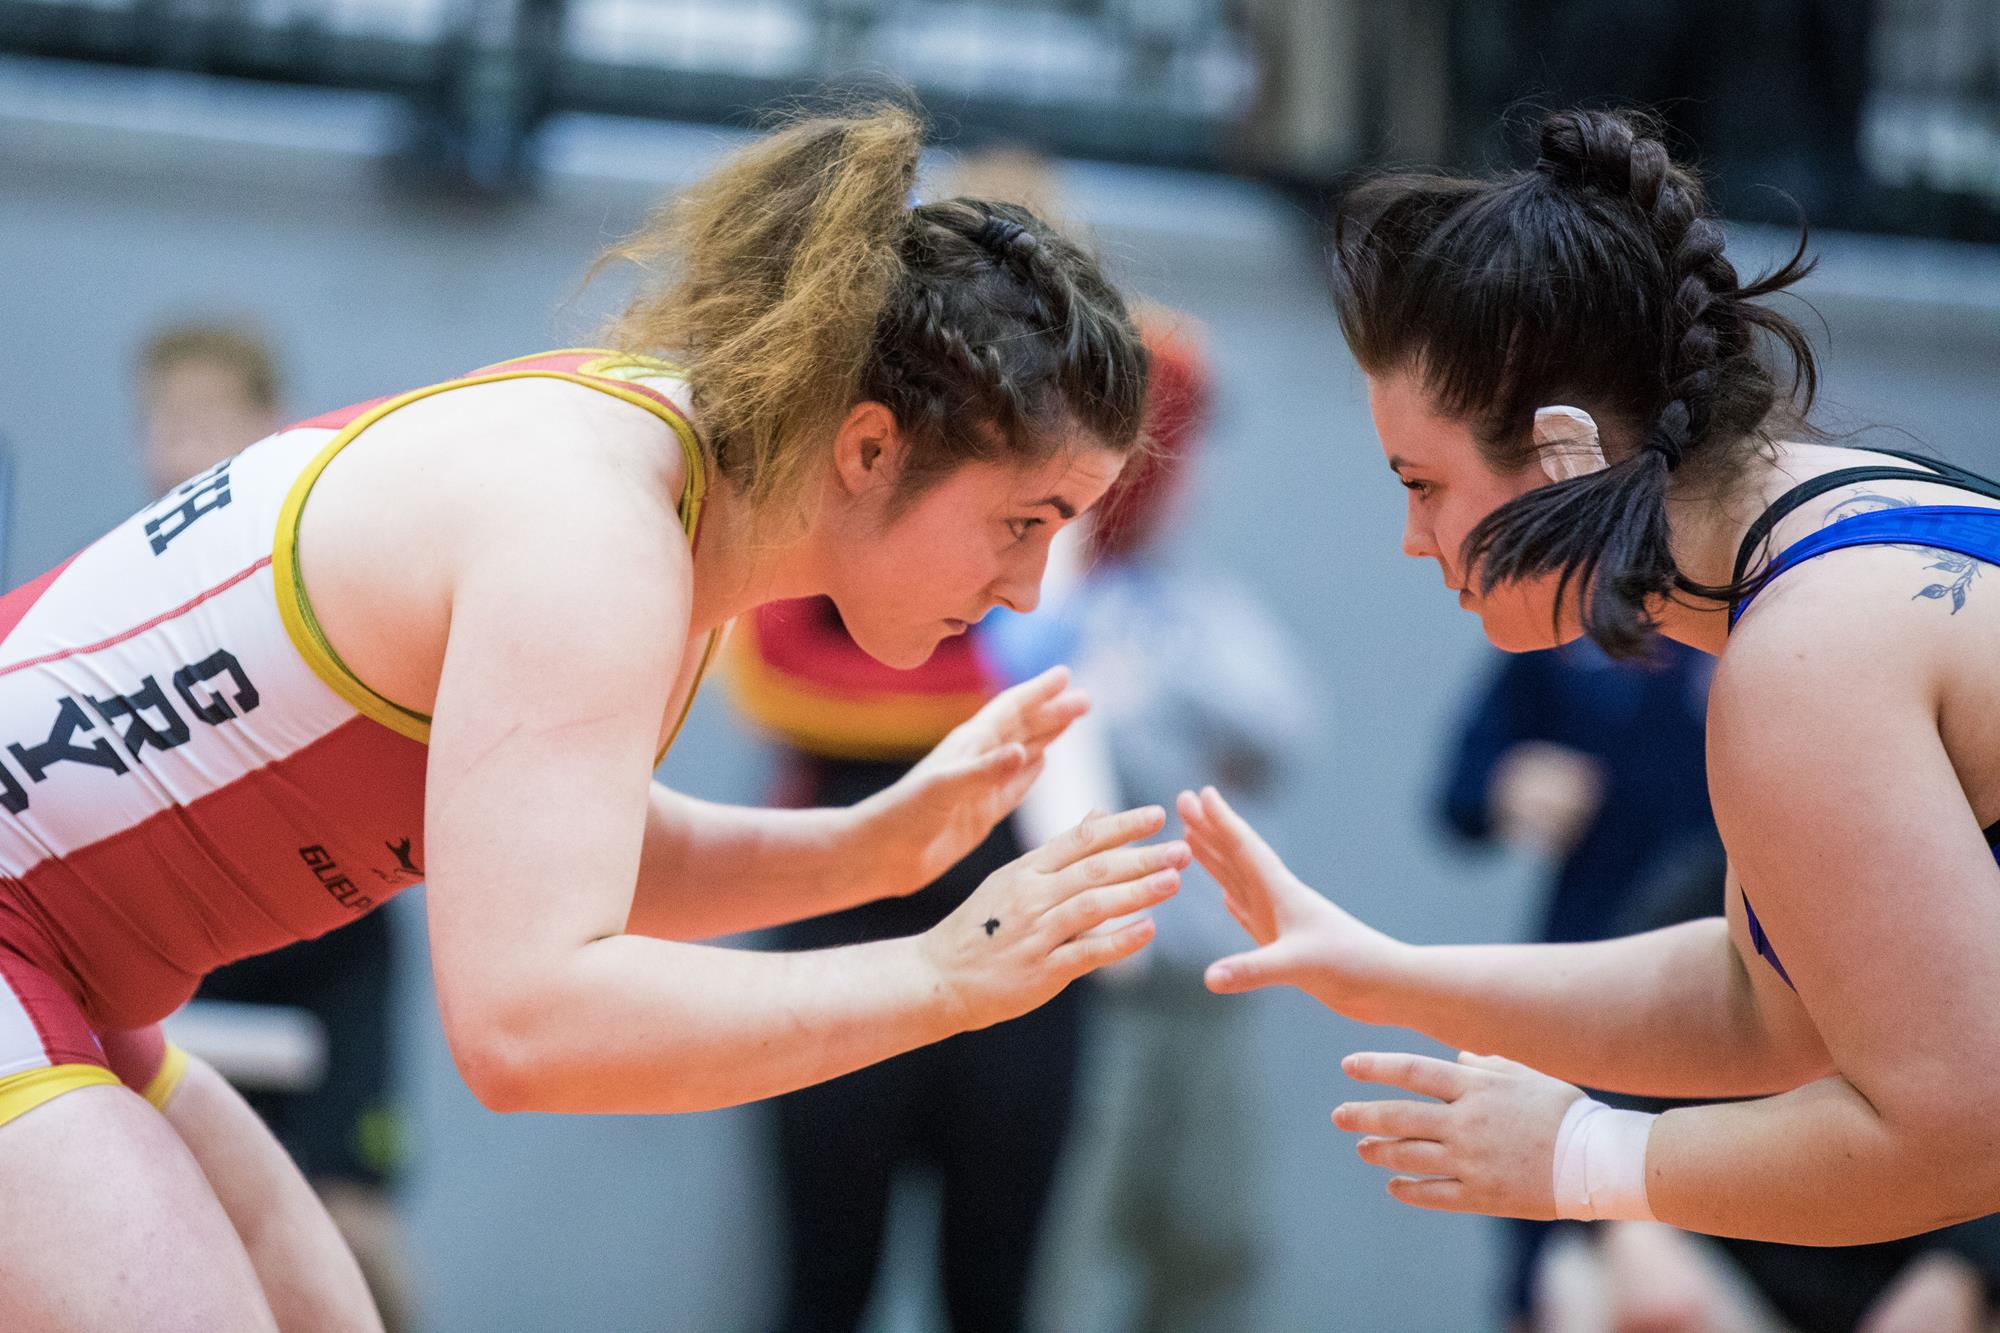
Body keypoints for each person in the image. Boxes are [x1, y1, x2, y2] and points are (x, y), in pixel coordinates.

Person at [0, 105, 1186, 1329]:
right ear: (871, 445)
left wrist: (871, 852)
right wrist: (942, 973)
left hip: (71, 966)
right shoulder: (592, 531)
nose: (1027, 587)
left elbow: (567, 846)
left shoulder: (666, 484)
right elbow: (527, 1024)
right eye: (1023, 521)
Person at [1177, 106, 2000, 1248]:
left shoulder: (1808, 652)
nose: (1412, 540)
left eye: (1421, 484)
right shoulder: (1837, 517)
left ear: (1565, 453)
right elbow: (1764, 1003)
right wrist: (1384, 974)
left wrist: (1579, 1157)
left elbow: (1961, 1133)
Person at [138, 321, 419, 1332]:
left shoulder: (321, 569)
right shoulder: (117, 600)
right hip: (179, 942)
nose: (179, 448)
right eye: (164, 423)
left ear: (265, 428)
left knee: (353, 1240)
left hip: (328, 946)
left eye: (205, 421)